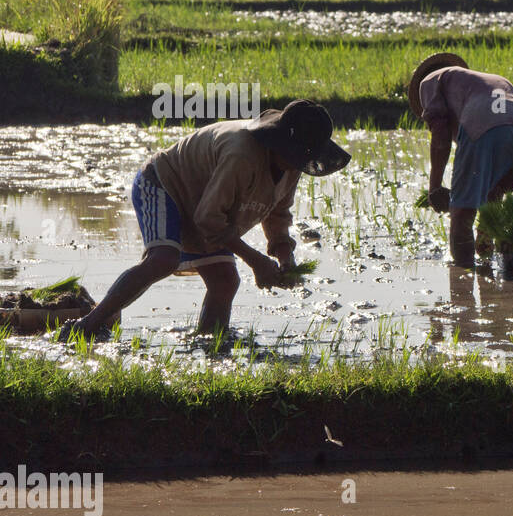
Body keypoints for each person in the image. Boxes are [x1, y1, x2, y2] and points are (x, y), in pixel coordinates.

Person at [59, 100, 351, 341]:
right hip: (165, 183)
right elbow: (208, 219)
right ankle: (88, 325)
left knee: (225, 281)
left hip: (205, 201)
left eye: (305, 158)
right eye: (297, 155)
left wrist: (285, 256)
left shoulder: (292, 167)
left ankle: (211, 344)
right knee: (163, 259)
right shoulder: (242, 154)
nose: (299, 163)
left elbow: (277, 214)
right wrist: (255, 260)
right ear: (279, 143)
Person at [408, 52, 513, 268]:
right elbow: (510, 137)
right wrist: (488, 226)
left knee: (462, 211)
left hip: (480, 123)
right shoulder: (496, 81)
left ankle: (463, 279)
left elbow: (440, 134)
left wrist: (435, 187)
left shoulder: (429, 81)